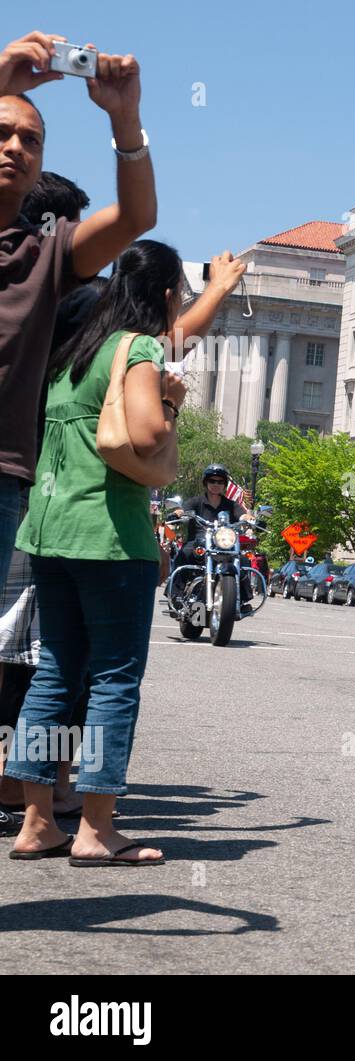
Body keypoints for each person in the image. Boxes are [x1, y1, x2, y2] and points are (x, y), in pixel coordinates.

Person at [7, 239, 185, 865]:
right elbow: (144, 433)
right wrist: (169, 401)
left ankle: (35, 823)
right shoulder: (137, 349)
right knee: (113, 678)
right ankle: (96, 828)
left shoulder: (69, 353)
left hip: (50, 532)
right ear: (165, 296)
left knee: (55, 671)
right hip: (110, 538)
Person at [0, 32, 157, 593]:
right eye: (2, 133)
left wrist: (125, 119)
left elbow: (137, 216)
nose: (16, 146)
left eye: (31, 140)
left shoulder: (47, 251)